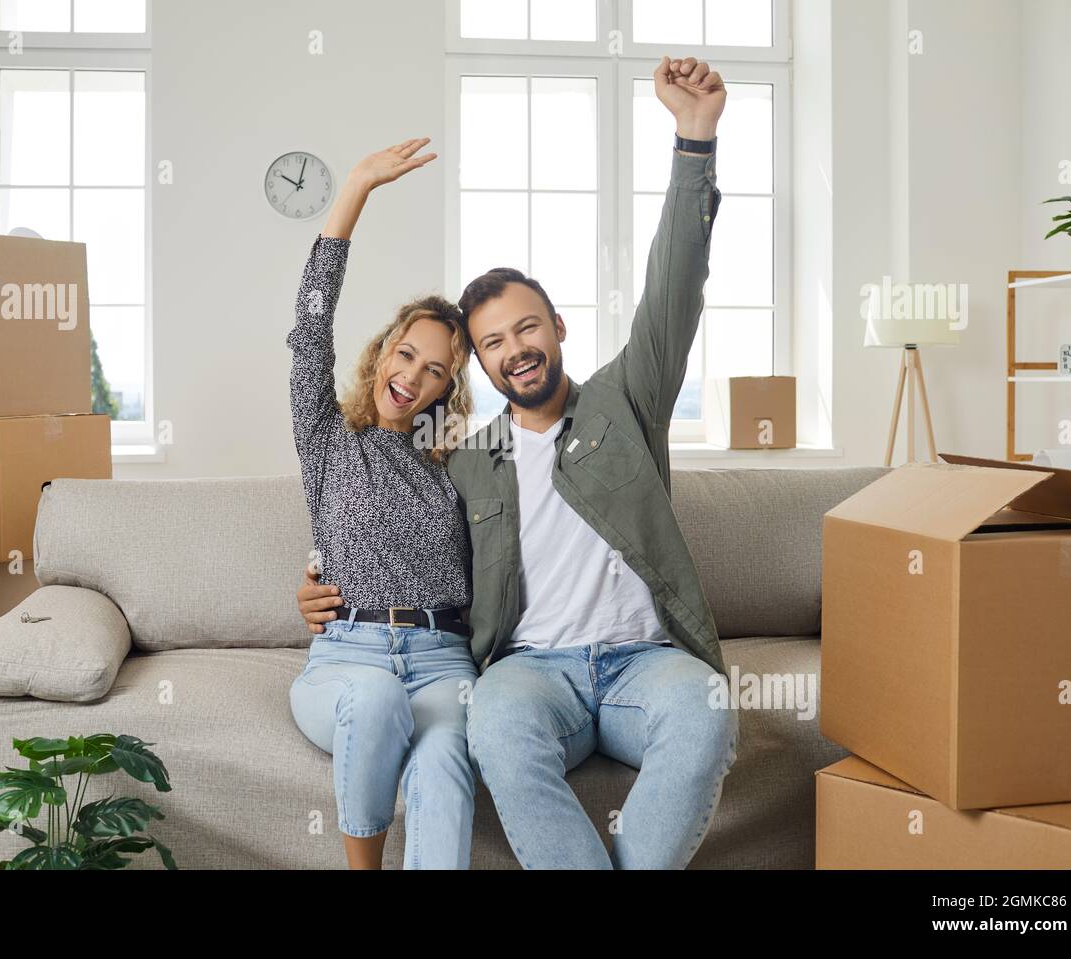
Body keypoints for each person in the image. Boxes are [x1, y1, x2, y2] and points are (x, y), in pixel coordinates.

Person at [297, 57, 737, 869]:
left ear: (559, 328)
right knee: (490, 720)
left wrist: (694, 139)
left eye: (526, 329)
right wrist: (321, 576)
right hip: (534, 673)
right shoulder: (470, 459)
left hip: (646, 662)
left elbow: (674, 286)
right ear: (484, 368)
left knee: (710, 705)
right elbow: (400, 536)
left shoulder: (625, 400)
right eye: (494, 342)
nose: (516, 350)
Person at [286, 137, 479, 870]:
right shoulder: (326, 436)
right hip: (347, 659)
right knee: (372, 698)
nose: (413, 377)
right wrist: (356, 190)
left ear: (446, 389)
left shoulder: (459, 461)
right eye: (407, 354)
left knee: (443, 765)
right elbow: (309, 332)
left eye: (435, 371)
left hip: (442, 661)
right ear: (385, 348)